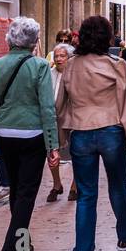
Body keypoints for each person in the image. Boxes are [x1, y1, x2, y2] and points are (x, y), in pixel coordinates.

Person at [57, 14, 126, 251]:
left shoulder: (70, 65)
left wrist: (61, 138)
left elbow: (60, 104)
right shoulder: (117, 65)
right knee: (118, 185)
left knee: (86, 193)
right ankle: (125, 233)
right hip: (111, 130)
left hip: (81, 131)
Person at [0, 18, 59, 251]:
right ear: (34, 42)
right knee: (26, 195)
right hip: (33, 136)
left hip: (5, 134)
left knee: (16, 192)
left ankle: (21, 243)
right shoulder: (40, 66)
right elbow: (47, 108)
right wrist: (53, 144)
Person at [48, 42, 77, 203]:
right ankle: (57, 184)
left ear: (69, 57)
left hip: (71, 119)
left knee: (76, 154)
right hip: (52, 119)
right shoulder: (48, 73)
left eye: (62, 56)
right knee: (51, 153)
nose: (58, 59)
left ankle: (74, 185)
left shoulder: (75, 75)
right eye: (56, 56)